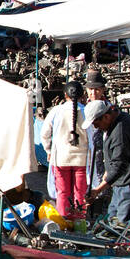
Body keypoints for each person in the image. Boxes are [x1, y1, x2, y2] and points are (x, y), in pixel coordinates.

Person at [84, 99, 130, 226]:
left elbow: (119, 164)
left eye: (96, 123)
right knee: (113, 222)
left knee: (125, 227)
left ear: (106, 117)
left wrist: (97, 190)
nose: (95, 127)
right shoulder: (117, 121)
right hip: (121, 183)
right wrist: (108, 171)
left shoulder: (120, 131)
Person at [41, 81, 88, 220]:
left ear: (65, 95)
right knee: (80, 193)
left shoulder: (56, 111)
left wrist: (49, 150)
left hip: (61, 158)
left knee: (62, 192)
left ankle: (63, 224)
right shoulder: (86, 111)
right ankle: (80, 222)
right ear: (82, 95)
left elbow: (44, 134)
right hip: (82, 160)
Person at [84, 72, 109, 191]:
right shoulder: (82, 107)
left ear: (103, 90)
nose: (93, 93)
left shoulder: (109, 108)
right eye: (90, 89)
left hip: (104, 152)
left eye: (97, 89)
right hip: (86, 152)